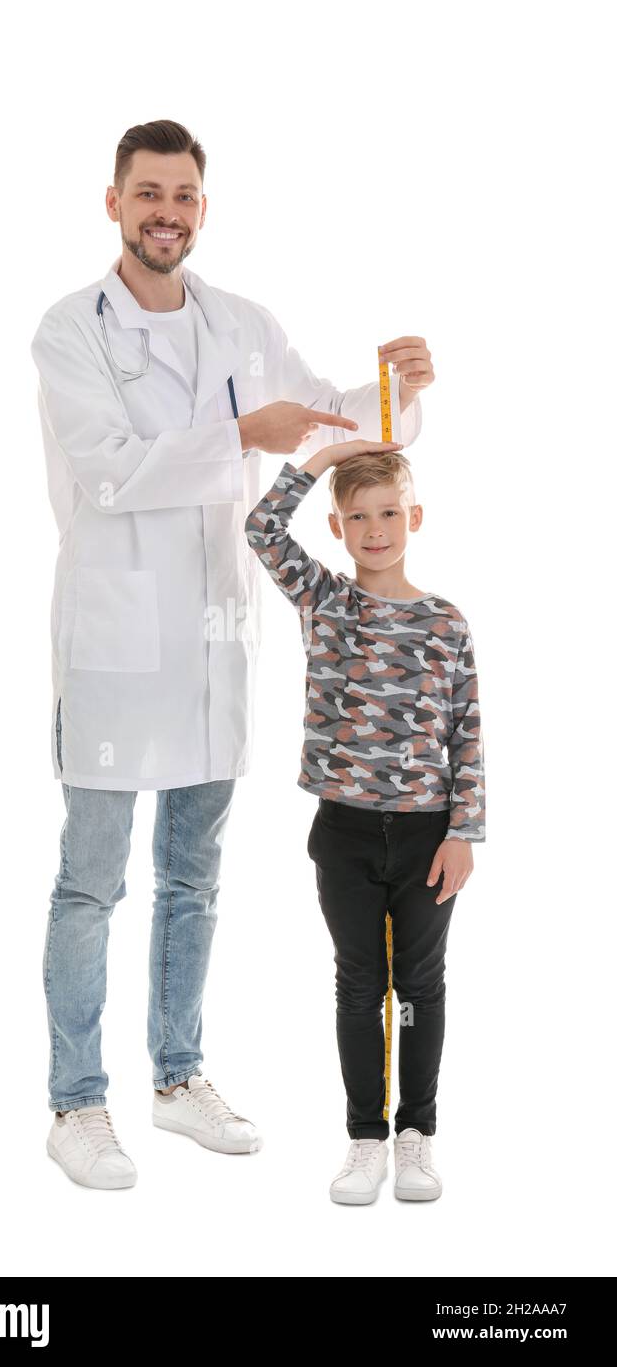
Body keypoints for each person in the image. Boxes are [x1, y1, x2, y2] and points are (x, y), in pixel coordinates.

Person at [30, 118, 433, 1190]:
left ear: (202, 210)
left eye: (184, 196)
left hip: (212, 636)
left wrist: (401, 386)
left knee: (194, 876)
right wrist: (237, 440)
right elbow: (108, 470)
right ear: (112, 203)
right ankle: (76, 1102)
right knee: (90, 883)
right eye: (147, 193)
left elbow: (336, 420)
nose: (166, 212)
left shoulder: (244, 325)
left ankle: (176, 1078)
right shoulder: (70, 330)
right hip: (115, 640)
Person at [244, 437, 484, 1204]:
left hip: (424, 833)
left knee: (418, 984)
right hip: (343, 829)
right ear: (337, 529)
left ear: (413, 516)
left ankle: (416, 1135)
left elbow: (466, 730)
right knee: (357, 985)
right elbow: (261, 530)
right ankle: (363, 1139)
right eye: (357, 517)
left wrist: (463, 831)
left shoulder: (445, 622)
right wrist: (324, 458)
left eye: (387, 512)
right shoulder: (325, 599)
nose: (374, 528)